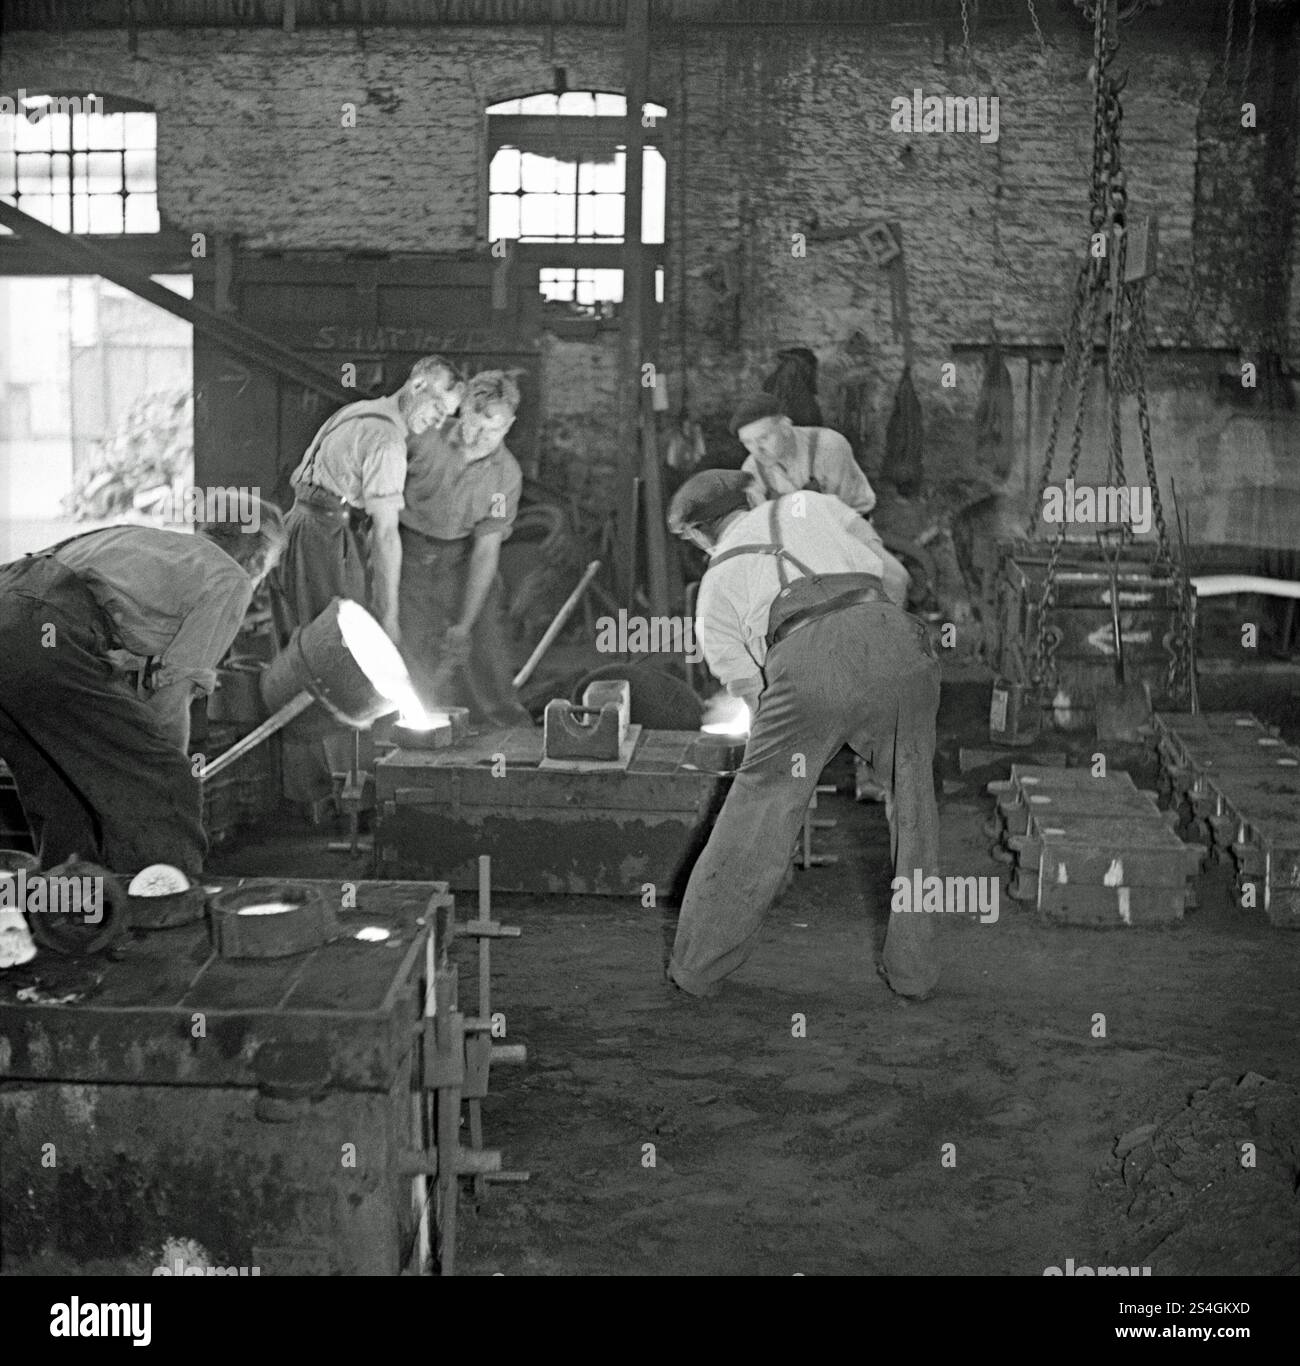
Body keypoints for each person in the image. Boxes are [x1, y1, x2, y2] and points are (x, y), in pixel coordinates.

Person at [663, 469, 941, 1001]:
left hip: (802, 656)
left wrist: (803, 760)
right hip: (897, 641)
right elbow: (898, 579)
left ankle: (697, 967)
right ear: (750, 498)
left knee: (759, 807)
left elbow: (757, 700)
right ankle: (915, 973)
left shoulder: (714, 589)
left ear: (698, 535)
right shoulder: (812, 504)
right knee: (913, 808)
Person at [0, 505, 285, 879]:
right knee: (163, 781)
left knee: (64, 787)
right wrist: (166, 771)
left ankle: (72, 917)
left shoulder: (148, 543)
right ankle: (162, 915)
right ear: (259, 557)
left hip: (14, 611)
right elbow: (172, 697)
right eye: (268, 569)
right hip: (42, 630)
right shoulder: (229, 578)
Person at [271, 355, 463, 803]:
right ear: (417, 385)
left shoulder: (362, 409)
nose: (436, 422)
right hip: (321, 534)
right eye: (436, 408)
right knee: (332, 659)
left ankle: (326, 781)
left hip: (313, 524)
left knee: (318, 647)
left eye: (446, 417)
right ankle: (324, 789)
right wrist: (390, 615)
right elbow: (385, 534)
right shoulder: (386, 442)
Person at [398, 370, 532, 729]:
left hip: (462, 558)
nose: (482, 438)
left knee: (484, 649)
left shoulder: (506, 476)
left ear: (510, 425)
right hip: (405, 554)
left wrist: (464, 625)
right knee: (406, 647)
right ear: (462, 413)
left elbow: (486, 550)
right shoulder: (425, 438)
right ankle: (397, 732)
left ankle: (502, 731)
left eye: (495, 429)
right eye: (474, 425)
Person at [731, 390, 876, 515]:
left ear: (785, 427)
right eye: (748, 442)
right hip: (801, 530)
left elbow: (843, 511)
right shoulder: (752, 468)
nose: (757, 450)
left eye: (763, 438)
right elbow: (762, 519)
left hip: (852, 523)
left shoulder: (828, 446)